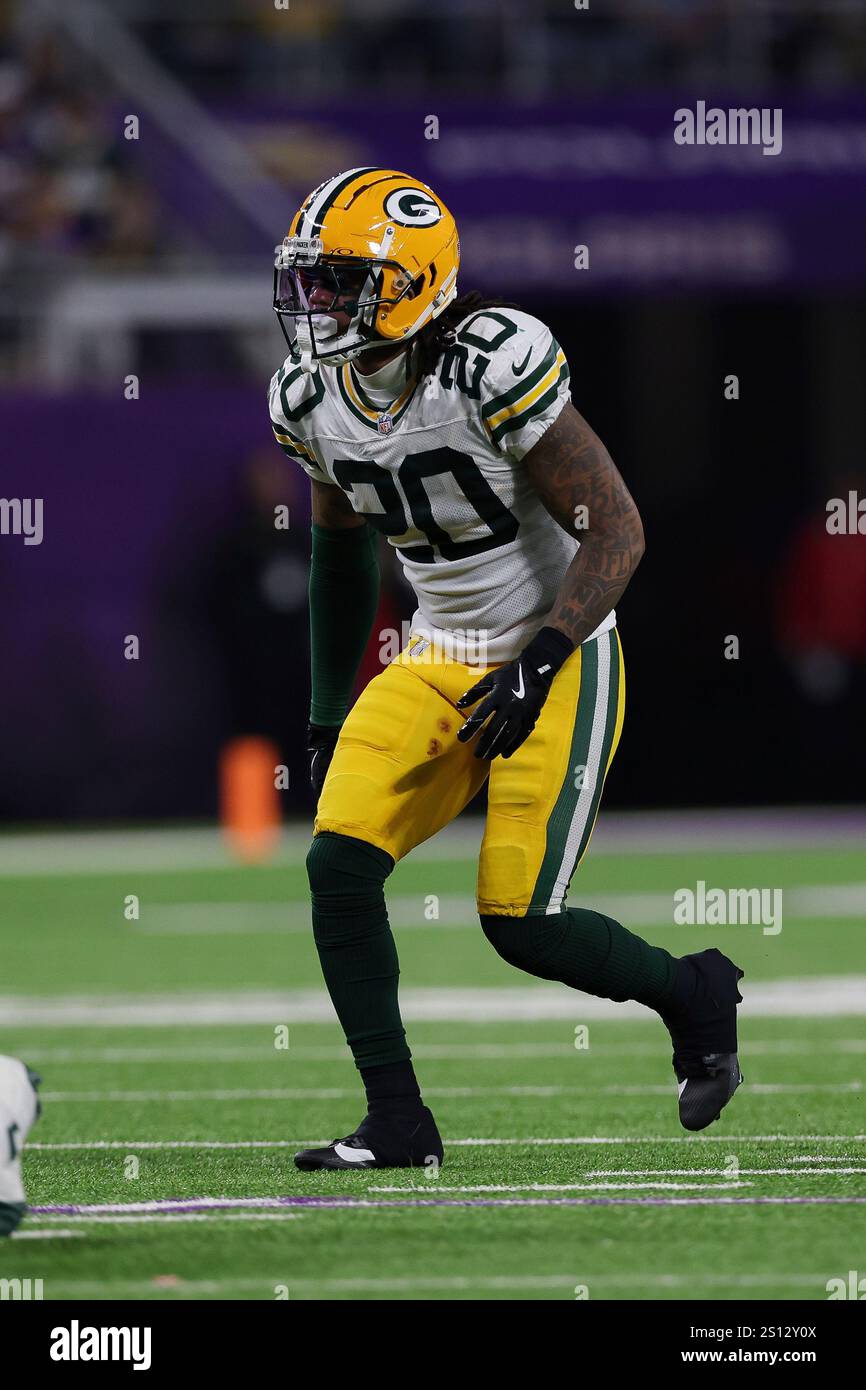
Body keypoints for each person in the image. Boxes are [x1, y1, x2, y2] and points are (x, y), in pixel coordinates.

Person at [268, 167, 743, 1170]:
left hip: (557, 644)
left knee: (520, 923)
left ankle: (691, 989)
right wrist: (323, 708)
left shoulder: (489, 363)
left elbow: (616, 528)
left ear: (409, 283)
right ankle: (397, 1120)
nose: (314, 303)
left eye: (337, 280)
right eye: (307, 281)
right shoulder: (310, 396)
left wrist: (539, 658)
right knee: (337, 868)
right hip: (437, 650)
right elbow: (339, 551)